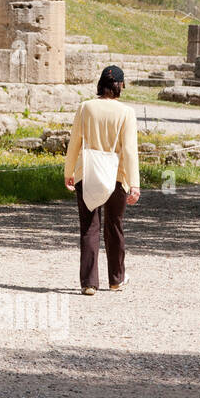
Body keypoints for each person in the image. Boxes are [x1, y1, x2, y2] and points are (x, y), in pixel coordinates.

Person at [64, 65, 140, 295]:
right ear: (119, 85)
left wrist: (69, 171)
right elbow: (129, 151)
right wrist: (134, 183)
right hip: (116, 175)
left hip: (87, 172)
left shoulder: (85, 107)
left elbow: (75, 142)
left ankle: (89, 282)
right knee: (114, 227)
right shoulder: (126, 112)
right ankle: (116, 279)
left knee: (89, 227)